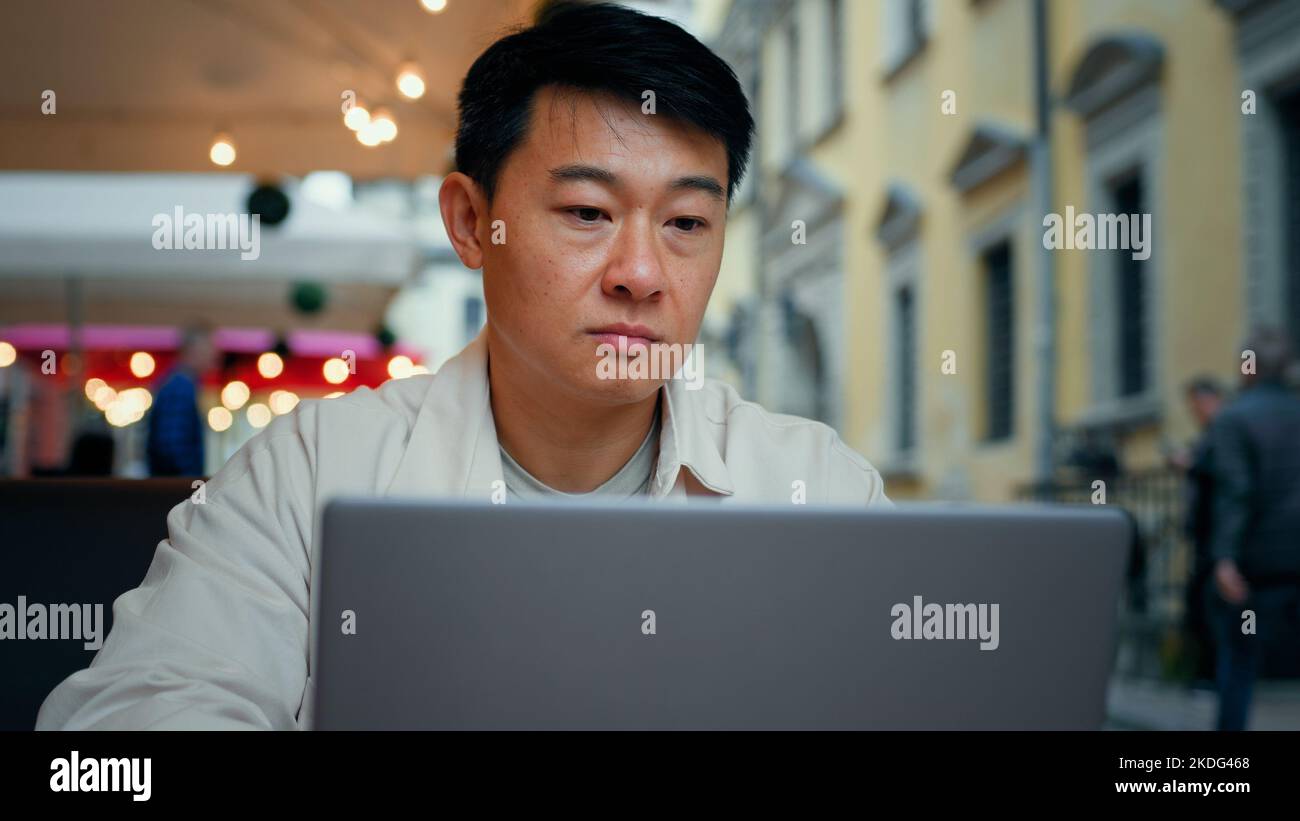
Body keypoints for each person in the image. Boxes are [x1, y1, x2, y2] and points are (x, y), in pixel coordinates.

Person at [36, 1, 890, 730]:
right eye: (589, 211)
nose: (642, 274)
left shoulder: (817, 489)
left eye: (688, 224)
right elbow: (129, 729)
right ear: (471, 221)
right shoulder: (313, 473)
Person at [1205, 328, 1300, 730]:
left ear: (1248, 367)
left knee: (1240, 664)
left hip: (1257, 567)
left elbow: (1235, 491)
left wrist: (1224, 557)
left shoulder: (1234, 418)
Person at [1177, 376, 1224, 684]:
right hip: (1208, 534)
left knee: (1209, 606)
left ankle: (1211, 675)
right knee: (1199, 605)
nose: (1195, 412)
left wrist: (1190, 465)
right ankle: (1205, 674)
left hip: (1217, 534)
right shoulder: (1214, 434)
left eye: (1197, 405)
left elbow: (1222, 477)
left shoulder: (1226, 433)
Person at [145, 324, 216, 476]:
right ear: (195, 350)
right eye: (211, 347)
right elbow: (171, 447)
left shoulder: (177, 383)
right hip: (175, 489)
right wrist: (189, 484)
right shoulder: (181, 387)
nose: (216, 354)